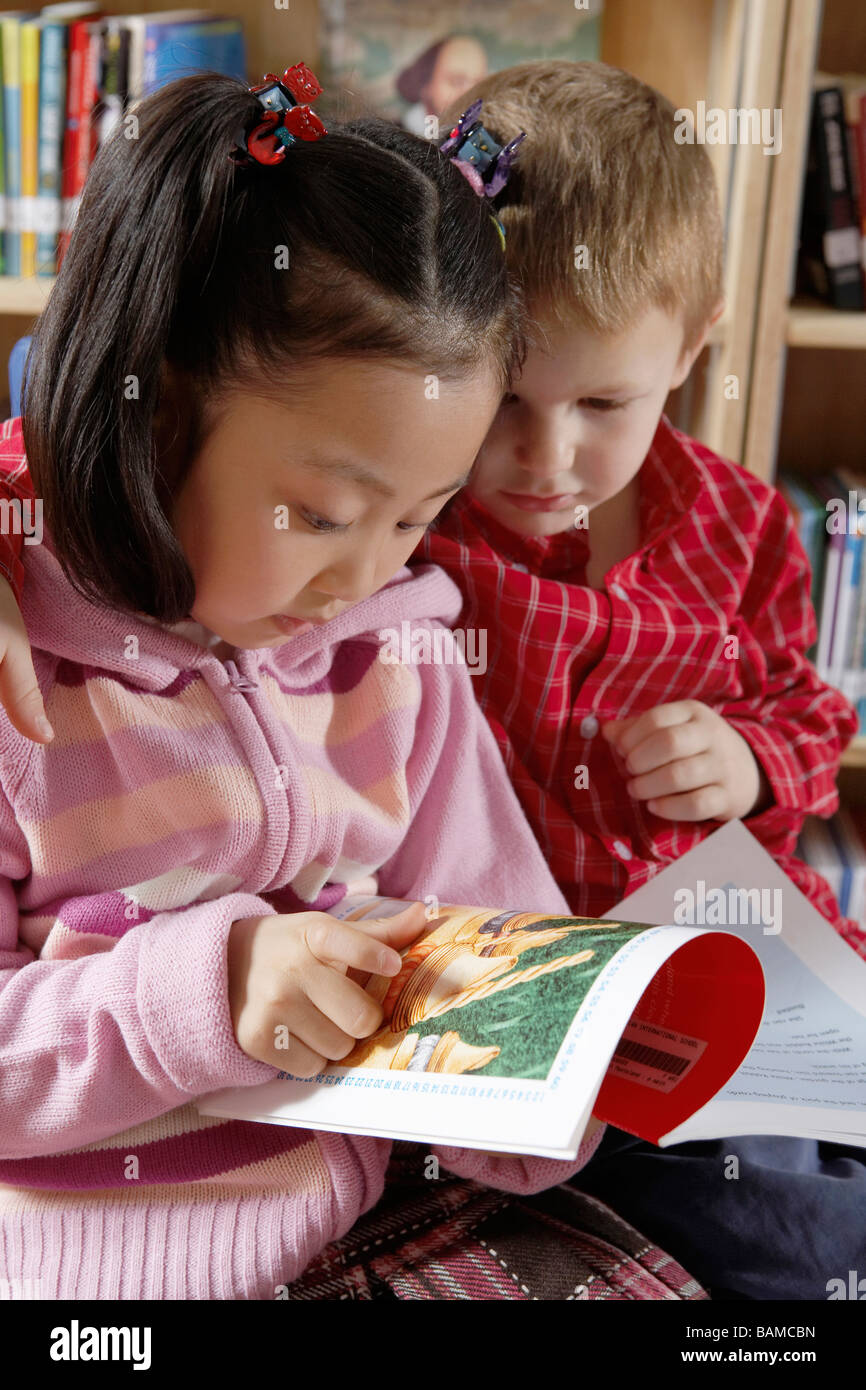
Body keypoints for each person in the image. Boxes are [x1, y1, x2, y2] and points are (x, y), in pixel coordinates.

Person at [0, 66, 607, 1302]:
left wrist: (551, 1078)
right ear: (155, 415)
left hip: (375, 1219)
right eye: (322, 514)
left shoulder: (399, 656)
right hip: (95, 1270)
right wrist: (206, 993)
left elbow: (504, 925)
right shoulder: (26, 686)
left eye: (418, 517)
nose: (364, 576)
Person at [411, 59, 865, 1300]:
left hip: (723, 954)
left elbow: (807, 715)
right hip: (529, 993)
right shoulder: (412, 525)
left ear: (693, 345)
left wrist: (748, 760)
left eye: (602, 401)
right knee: (785, 1231)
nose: (543, 457)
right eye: (502, 395)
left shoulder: (741, 526)